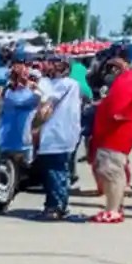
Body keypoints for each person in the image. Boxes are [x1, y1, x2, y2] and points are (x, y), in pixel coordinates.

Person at [88, 58, 132, 223]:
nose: (111, 72)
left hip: (116, 132)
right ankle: (114, 207)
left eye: (115, 68)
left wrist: (114, 114)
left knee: (112, 171)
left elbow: (119, 105)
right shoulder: (127, 80)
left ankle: (113, 209)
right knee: (110, 170)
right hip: (112, 131)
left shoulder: (131, 79)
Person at [32, 57, 82, 219]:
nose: (47, 66)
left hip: (59, 133)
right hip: (53, 134)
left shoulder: (67, 84)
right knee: (52, 171)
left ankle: (56, 207)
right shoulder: (53, 83)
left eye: (52, 63)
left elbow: (47, 103)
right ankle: (54, 204)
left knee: (56, 171)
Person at [0, 62, 42, 172]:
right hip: (9, 140)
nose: (27, 78)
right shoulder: (7, 92)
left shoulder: (9, 93)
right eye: (23, 75)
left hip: (20, 141)